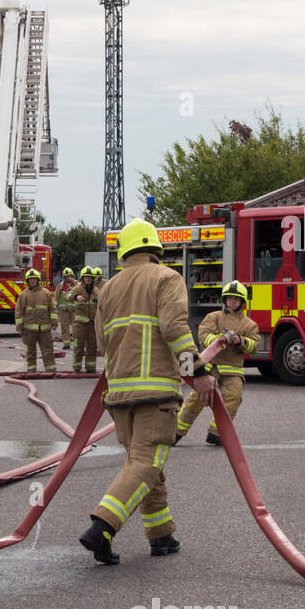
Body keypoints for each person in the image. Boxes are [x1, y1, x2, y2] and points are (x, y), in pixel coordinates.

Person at [79, 219, 216, 565]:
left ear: (124, 251)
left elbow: (101, 342)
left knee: (147, 464)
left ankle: (161, 534)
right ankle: (103, 526)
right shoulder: (166, 278)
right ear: (156, 249)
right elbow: (174, 328)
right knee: (145, 462)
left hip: (120, 397)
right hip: (155, 391)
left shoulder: (107, 289)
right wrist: (197, 372)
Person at [175, 281, 259, 447]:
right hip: (210, 367)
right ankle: (175, 432)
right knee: (197, 399)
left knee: (234, 398)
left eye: (236, 299)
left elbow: (254, 345)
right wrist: (216, 340)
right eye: (229, 299)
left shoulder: (250, 324)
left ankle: (217, 433)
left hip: (233, 370)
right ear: (224, 300)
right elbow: (203, 334)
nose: (232, 302)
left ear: (242, 302)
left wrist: (239, 340)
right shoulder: (214, 317)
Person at [14, 268, 57, 372]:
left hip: (44, 329)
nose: (32, 281)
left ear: (38, 280)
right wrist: (19, 326)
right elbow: (19, 311)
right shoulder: (24, 294)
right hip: (29, 330)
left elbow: (52, 308)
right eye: (30, 279)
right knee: (30, 351)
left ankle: (50, 370)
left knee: (48, 350)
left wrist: (54, 322)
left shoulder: (46, 293)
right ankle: (31, 370)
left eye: (34, 279)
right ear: (27, 281)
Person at [69, 266, 102, 373]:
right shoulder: (78, 288)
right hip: (80, 324)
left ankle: (91, 368)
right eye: (86, 277)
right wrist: (75, 297)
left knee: (92, 346)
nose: (88, 279)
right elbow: (66, 296)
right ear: (82, 278)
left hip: (92, 323)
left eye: (90, 277)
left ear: (92, 278)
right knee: (79, 345)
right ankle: (77, 367)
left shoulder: (96, 290)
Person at [57, 267, 77, 346]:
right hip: (64, 311)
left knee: (76, 327)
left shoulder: (76, 285)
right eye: (67, 276)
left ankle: (77, 343)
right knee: (64, 327)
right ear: (64, 277)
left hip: (74, 310)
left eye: (70, 276)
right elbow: (56, 297)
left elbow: (81, 291)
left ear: (72, 276)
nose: (68, 277)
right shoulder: (61, 286)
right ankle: (66, 344)